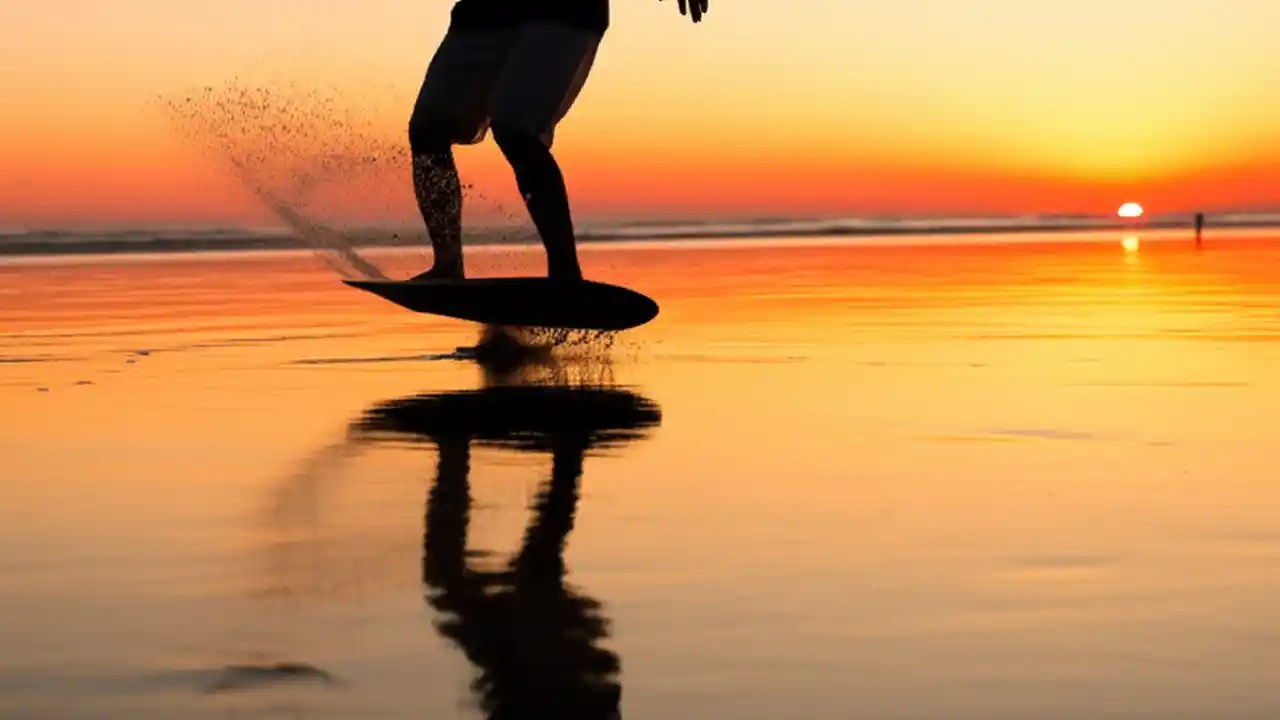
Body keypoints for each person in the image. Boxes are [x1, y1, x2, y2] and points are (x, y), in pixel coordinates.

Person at [408, 0, 709, 282]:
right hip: (485, 12)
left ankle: (565, 272)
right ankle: (447, 264)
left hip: (562, 10)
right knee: (427, 131)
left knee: (516, 128)